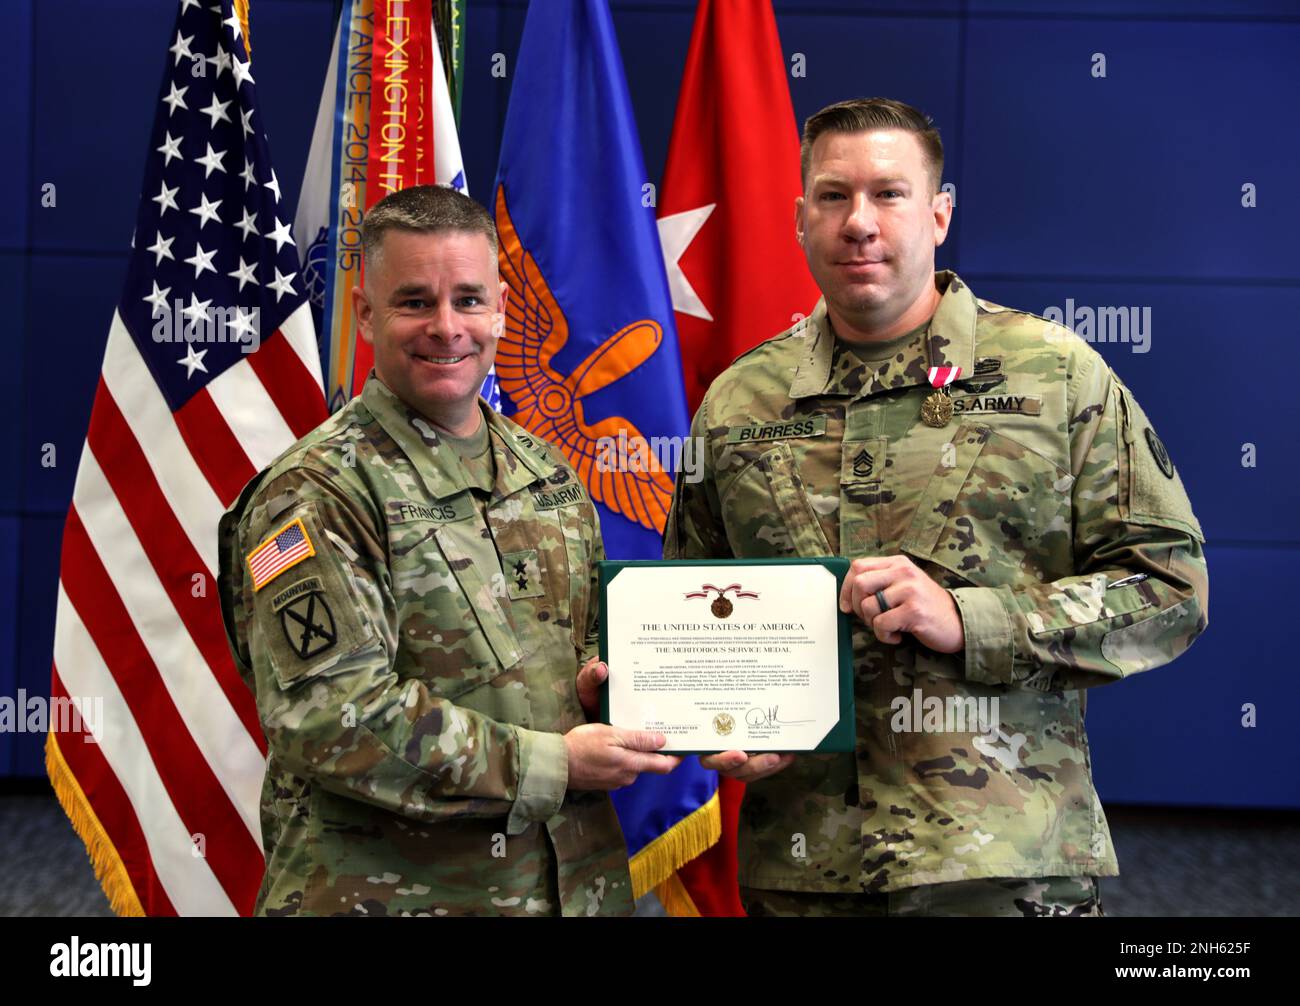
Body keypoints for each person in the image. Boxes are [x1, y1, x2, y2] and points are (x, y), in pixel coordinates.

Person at [663, 97, 1208, 917]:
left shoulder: (1055, 376)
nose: (859, 222)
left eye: (889, 193)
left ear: (939, 213)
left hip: (1000, 870)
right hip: (804, 872)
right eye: (834, 196)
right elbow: (691, 607)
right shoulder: (741, 401)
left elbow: (1172, 591)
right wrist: (714, 717)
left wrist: (972, 620)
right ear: (800, 219)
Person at [217, 185, 679, 917]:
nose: (446, 327)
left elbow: (579, 646)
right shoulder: (315, 494)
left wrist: (615, 688)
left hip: (570, 888)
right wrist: (553, 764)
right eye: (413, 302)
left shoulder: (547, 472)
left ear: (500, 307)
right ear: (366, 314)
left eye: (468, 300)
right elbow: (334, 717)